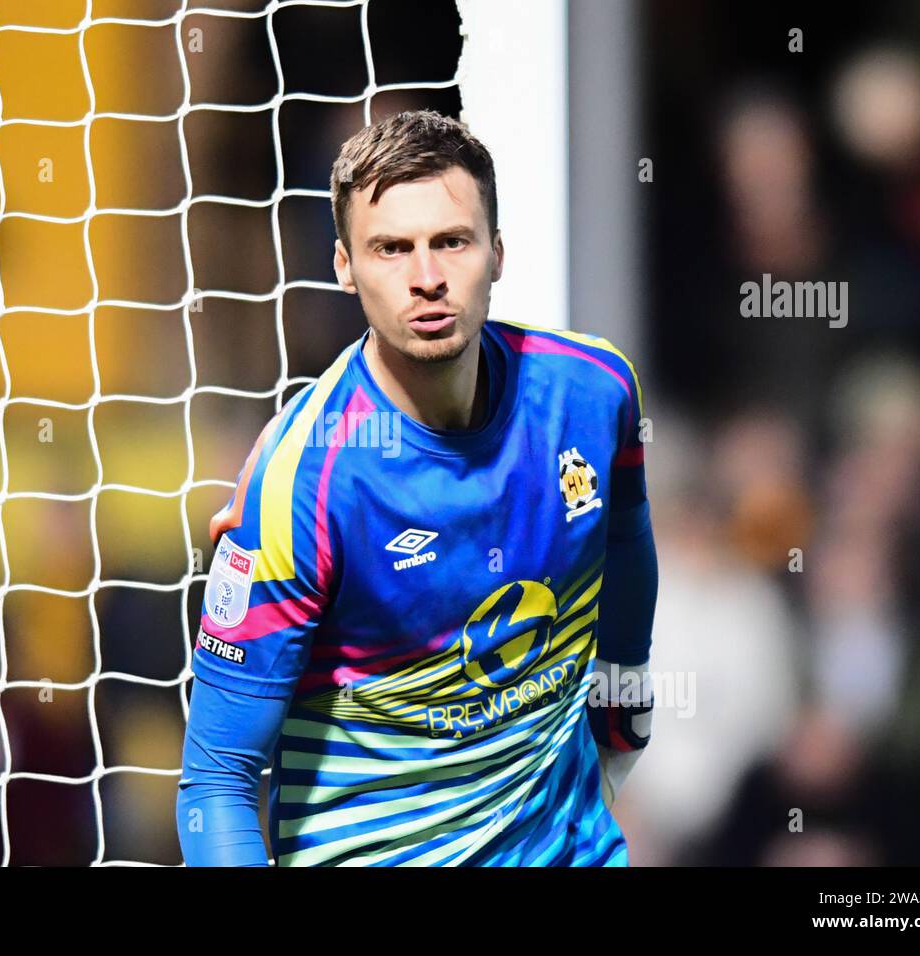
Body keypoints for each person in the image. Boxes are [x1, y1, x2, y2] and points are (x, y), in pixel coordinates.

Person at [176, 109, 658, 866]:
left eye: (451, 242)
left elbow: (624, 532)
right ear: (343, 266)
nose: (426, 277)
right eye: (391, 248)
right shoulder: (304, 480)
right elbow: (215, 781)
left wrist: (626, 694)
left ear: (497, 252)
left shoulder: (592, 391)